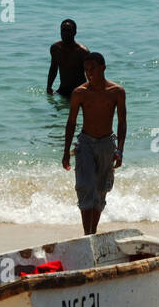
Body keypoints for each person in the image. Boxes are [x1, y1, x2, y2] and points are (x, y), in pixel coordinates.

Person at [62, 52, 126, 235]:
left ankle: (93, 231)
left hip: (107, 144)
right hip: (85, 143)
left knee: (101, 190)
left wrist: (120, 150)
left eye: (93, 69)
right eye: (86, 70)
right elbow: (71, 122)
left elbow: (122, 122)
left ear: (103, 68)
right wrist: (66, 152)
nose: (89, 74)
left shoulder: (116, 92)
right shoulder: (80, 92)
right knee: (85, 186)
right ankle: (86, 234)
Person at [48, 19, 90, 97]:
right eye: (63, 30)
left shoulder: (83, 52)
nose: (65, 33)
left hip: (80, 90)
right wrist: (49, 87)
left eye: (68, 30)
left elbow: (91, 73)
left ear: (74, 33)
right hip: (62, 89)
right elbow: (53, 68)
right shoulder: (55, 49)